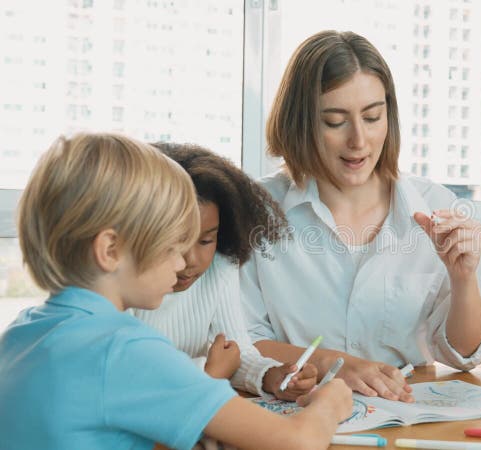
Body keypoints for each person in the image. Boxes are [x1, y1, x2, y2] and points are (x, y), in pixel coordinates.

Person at [0, 133, 351, 450]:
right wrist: (331, 400)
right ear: (110, 250)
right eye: (170, 244)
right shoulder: (126, 350)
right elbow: (298, 442)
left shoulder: (21, 333)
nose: (181, 263)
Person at [240, 30, 481, 402]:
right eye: (334, 121)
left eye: (372, 117)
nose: (359, 140)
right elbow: (241, 341)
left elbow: (465, 354)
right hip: (299, 418)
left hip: (405, 416)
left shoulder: (433, 204)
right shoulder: (256, 209)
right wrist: (334, 365)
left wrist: (463, 278)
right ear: (300, 123)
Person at [131, 143, 315, 400]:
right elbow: (133, 378)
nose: (189, 261)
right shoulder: (126, 287)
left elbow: (235, 351)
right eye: (175, 243)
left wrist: (271, 375)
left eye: (206, 241)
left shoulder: (220, 263)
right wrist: (210, 371)